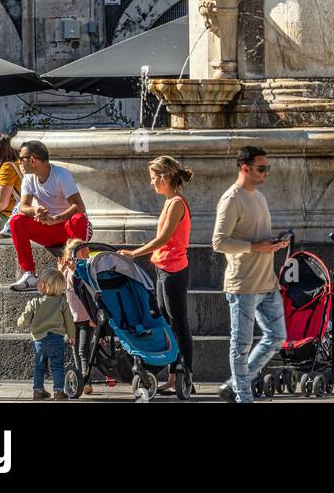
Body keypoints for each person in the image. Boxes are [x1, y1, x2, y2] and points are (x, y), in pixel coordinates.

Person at [212, 145, 287, 405]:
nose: (267, 173)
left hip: (267, 281)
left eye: (268, 168)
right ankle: (244, 397)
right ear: (244, 168)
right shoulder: (231, 199)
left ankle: (234, 384)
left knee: (277, 336)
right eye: (261, 168)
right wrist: (257, 247)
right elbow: (218, 242)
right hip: (243, 284)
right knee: (240, 346)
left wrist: (275, 243)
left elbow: (256, 235)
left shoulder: (260, 197)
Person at [119, 154, 194, 391]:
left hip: (173, 272)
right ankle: (173, 377)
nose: (151, 183)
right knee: (166, 324)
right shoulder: (170, 202)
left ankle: (186, 378)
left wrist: (134, 253)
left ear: (165, 177)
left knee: (178, 324)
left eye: (153, 178)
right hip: (163, 269)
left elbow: (163, 238)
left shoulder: (177, 204)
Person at [9, 140, 92, 292]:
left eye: (22, 159)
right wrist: (35, 211)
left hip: (68, 230)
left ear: (32, 160)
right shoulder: (28, 178)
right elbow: (22, 207)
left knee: (80, 219)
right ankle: (29, 273)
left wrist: (56, 219)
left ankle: (78, 269)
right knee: (16, 221)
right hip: (47, 229)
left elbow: (79, 207)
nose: (19, 162)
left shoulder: (61, 174)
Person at [16, 264, 75, 401]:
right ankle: (59, 392)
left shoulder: (34, 302)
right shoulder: (62, 302)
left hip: (39, 340)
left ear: (42, 285)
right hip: (57, 339)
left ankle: (38, 391)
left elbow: (24, 319)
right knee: (57, 366)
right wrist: (72, 336)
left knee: (39, 366)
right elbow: (69, 321)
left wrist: (19, 322)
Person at [60, 238, 95, 395]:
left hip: (87, 320)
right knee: (75, 350)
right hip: (72, 321)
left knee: (83, 351)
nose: (71, 260)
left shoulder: (86, 272)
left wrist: (94, 318)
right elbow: (56, 288)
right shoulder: (66, 273)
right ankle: (80, 380)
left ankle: (87, 381)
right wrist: (61, 271)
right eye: (71, 256)